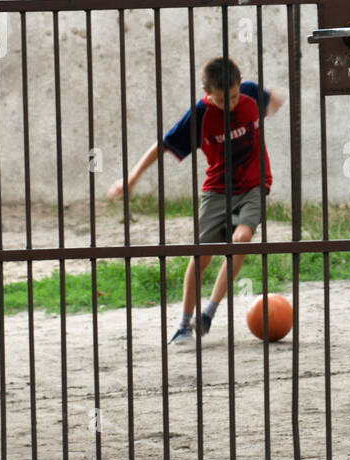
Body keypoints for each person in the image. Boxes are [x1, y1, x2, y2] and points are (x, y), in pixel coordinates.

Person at [107, 56, 284, 342]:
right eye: (221, 100)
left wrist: (275, 101)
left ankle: (209, 312)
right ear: (207, 94)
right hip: (216, 190)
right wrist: (132, 177)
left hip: (254, 185)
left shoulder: (251, 93)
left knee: (241, 237)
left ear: (241, 85)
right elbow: (162, 145)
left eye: (234, 96)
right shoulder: (199, 115)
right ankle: (183, 324)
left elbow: (273, 99)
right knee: (201, 255)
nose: (230, 104)